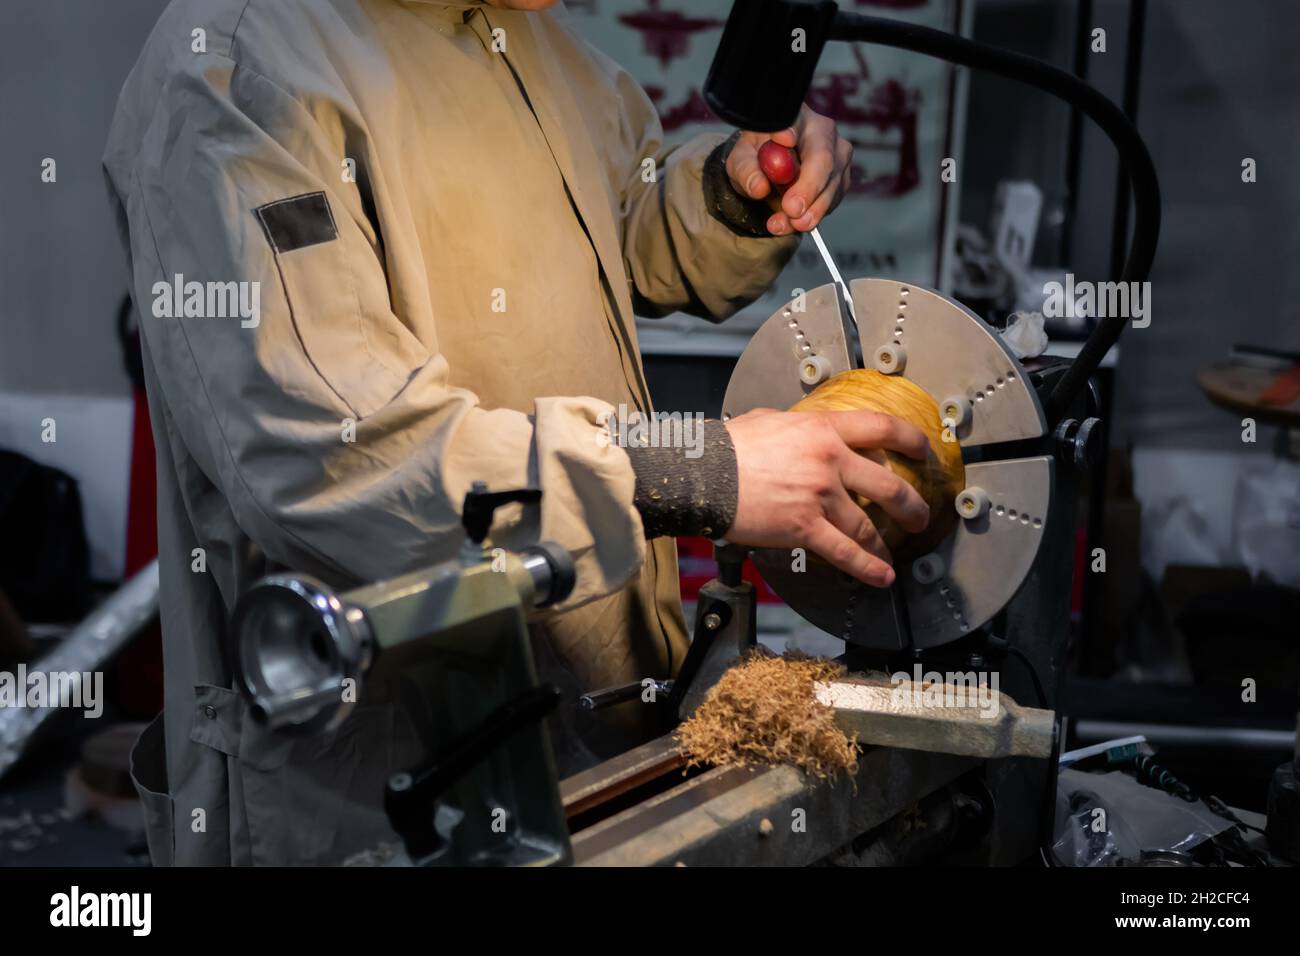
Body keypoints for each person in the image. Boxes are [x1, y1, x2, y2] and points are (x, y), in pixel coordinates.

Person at [103, 0, 930, 865]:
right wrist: (693, 472)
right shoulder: (235, 69)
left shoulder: (526, 28)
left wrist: (728, 190)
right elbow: (330, 458)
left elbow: (624, 227)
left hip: (606, 717)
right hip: (392, 781)